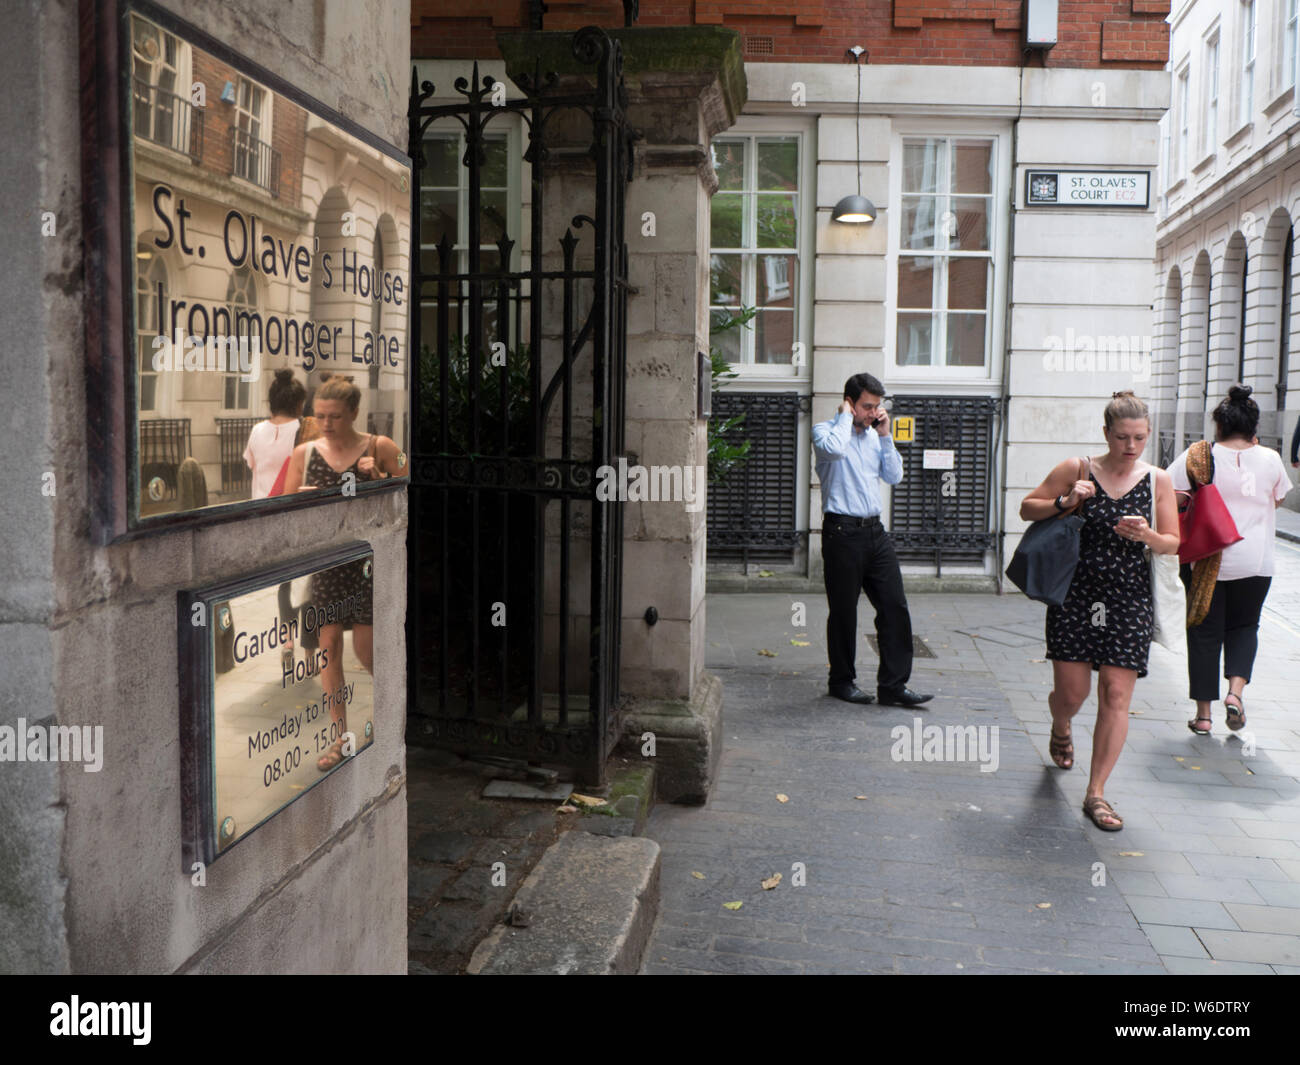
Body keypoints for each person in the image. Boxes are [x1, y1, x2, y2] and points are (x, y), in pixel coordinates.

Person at [1020, 391, 1179, 831]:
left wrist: (1147, 534)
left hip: (1129, 599)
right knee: (1073, 694)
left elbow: (1172, 542)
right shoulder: (1079, 469)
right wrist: (1067, 500)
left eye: (1140, 438)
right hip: (1076, 595)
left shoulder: (1158, 480)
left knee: (1115, 693)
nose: (1131, 446)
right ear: (1106, 433)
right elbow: (1027, 508)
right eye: (1123, 437)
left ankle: (1096, 794)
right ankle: (1061, 723)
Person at [283, 375, 402, 770]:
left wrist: (380, 478)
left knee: (367, 651)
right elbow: (283, 507)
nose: (327, 423)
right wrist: (302, 500)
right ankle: (339, 739)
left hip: (367, 561)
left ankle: (398, 716)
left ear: (353, 412)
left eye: (334, 416)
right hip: (328, 563)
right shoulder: (305, 453)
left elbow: (410, 488)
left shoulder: (378, 446)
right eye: (319, 416)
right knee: (327, 650)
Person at [1168, 385, 1290, 735]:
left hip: (1210, 559)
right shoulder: (1270, 459)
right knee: (1245, 626)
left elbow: (1173, 494)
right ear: (1254, 427)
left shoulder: (1199, 456)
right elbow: (1277, 499)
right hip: (1257, 563)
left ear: (1218, 425)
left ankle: (1203, 715)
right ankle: (1235, 695)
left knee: (1204, 632)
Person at [812, 373, 932, 707]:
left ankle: (893, 686)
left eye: (877, 406)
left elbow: (894, 476)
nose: (873, 412)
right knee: (844, 612)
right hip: (842, 533)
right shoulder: (825, 431)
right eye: (867, 406)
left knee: (894, 605)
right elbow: (834, 451)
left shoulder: (874, 437)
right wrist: (844, 418)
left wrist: (885, 436)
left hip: (875, 533)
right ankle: (841, 681)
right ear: (849, 403)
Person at [243, 369, 305, 500]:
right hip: (289, 508)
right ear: (299, 404)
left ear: (271, 403)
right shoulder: (304, 429)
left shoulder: (257, 430)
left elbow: (252, 464)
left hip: (259, 507)